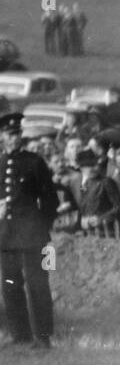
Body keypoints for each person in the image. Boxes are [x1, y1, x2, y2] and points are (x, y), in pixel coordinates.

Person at [0, 116, 59, 348]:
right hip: (5, 235)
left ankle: (43, 337)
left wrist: (42, 225)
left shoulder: (34, 162)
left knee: (38, 285)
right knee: (10, 285)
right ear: (2, 137)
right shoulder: (0, 162)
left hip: (34, 236)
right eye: (9, 134)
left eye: (16, 133)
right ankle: (20, 336)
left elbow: (50, 199)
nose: (14, 138)